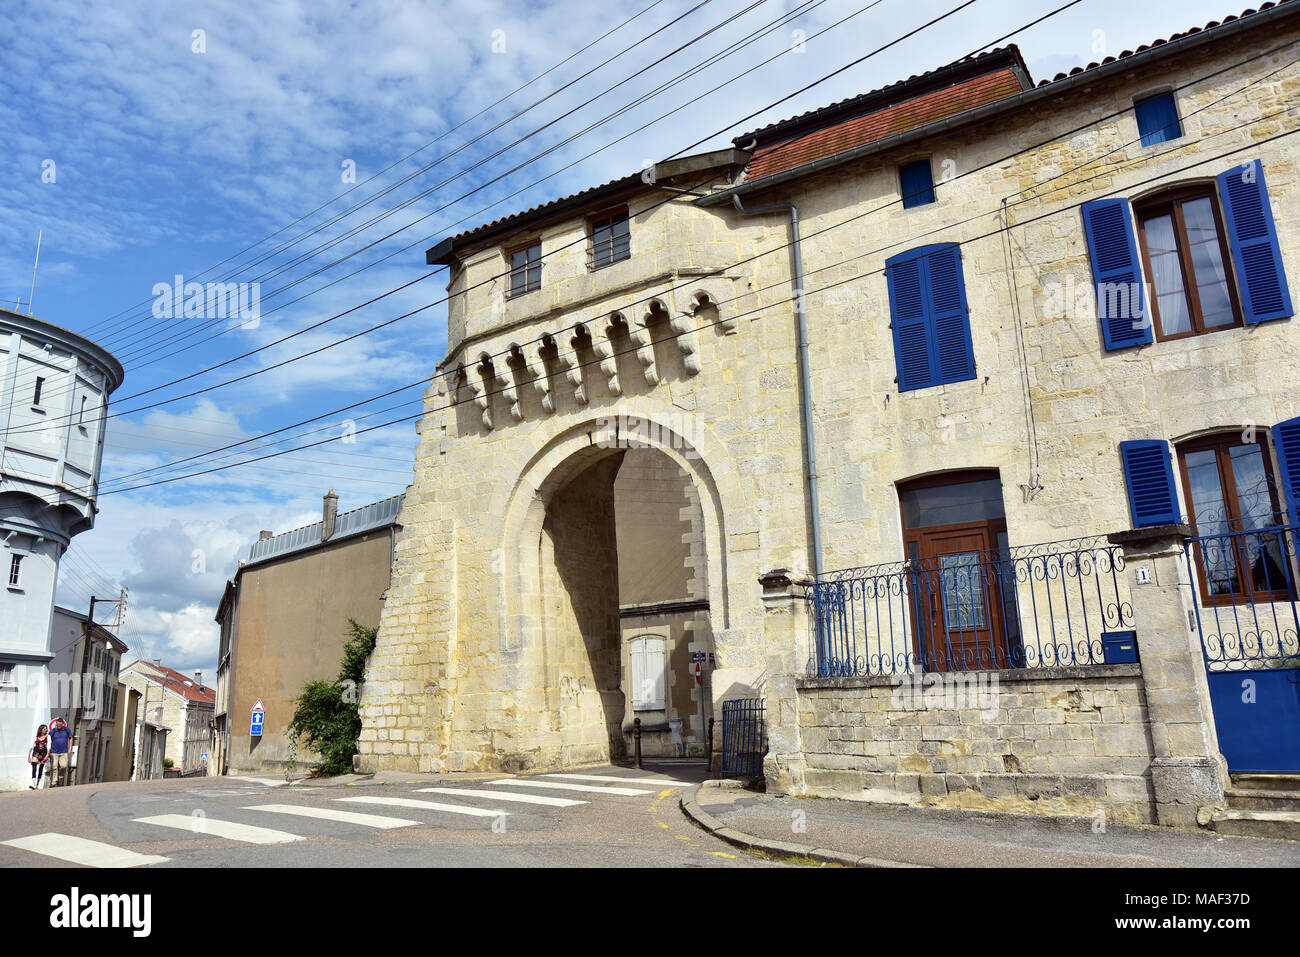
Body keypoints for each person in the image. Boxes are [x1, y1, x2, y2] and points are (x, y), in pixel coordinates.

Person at [46, 717, 73, 787]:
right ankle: (54, 782)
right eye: (57, 725)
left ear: (62, 724)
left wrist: (70, 748)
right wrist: (48, 751)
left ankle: (60, 779)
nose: (58, 726)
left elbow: (71, 738)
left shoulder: (67, 730)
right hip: (54, 752)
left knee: (63, 766)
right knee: (54, 767)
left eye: (60, 725)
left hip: (64, 751)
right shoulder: (53, 731)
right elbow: (48, 740)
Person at [28, 725, 49, 789]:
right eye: (44, 729)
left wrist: (47, 755)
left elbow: (49, 747)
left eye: (46, 729)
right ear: (41, 730)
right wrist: (29, 756)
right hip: (36, 753)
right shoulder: (36, 737)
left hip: (43, 754)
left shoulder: (48, 737)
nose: (46, 730)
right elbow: (31, 747)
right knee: (34, 767)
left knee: (41, 768)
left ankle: (38, 783)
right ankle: (33, 783)